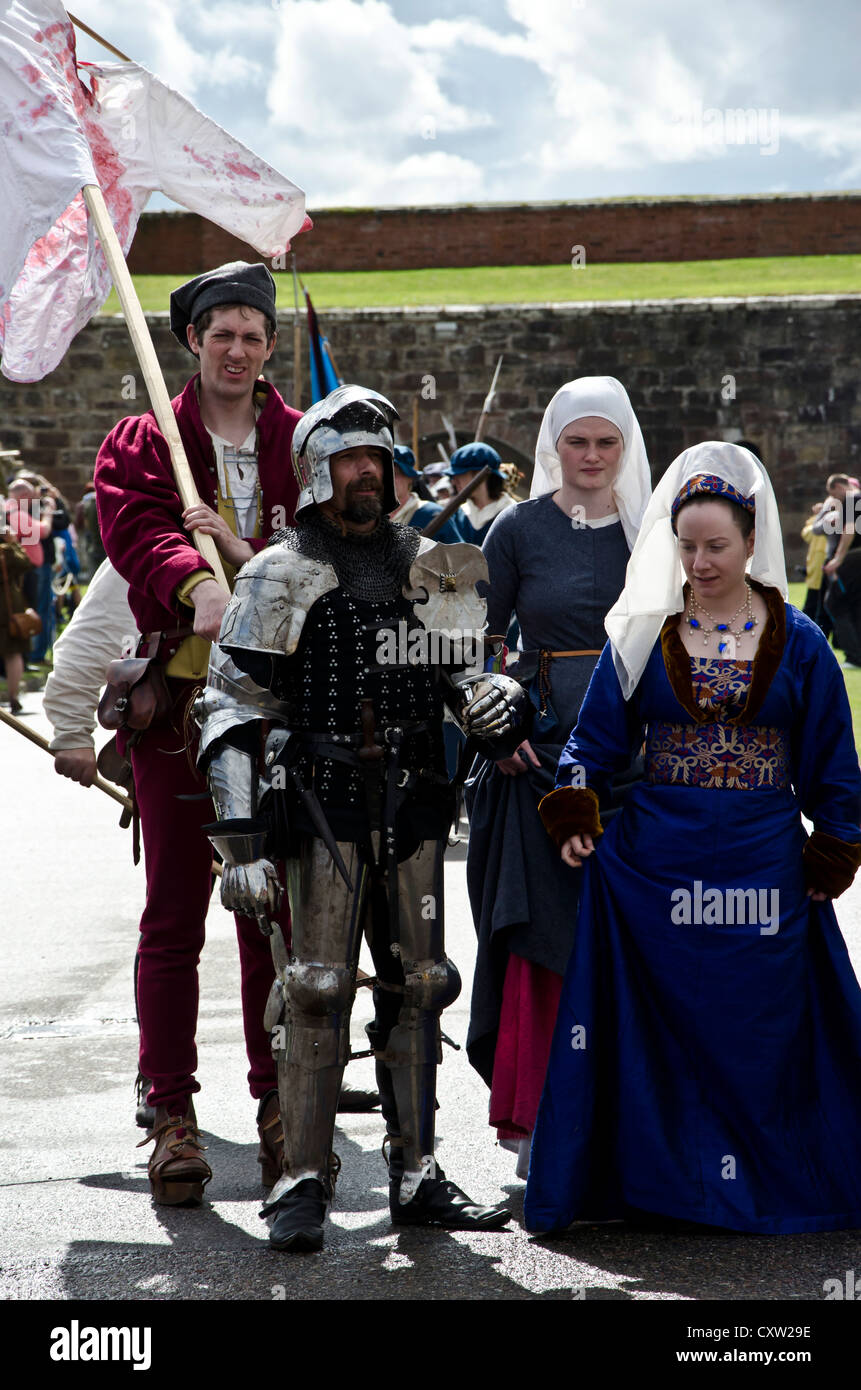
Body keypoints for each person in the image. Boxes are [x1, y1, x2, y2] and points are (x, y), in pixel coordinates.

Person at [196, 384, 528, 1252]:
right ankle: (302, 1179)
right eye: (346, 460)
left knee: (421, 985)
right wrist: (237, 845)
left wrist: (491, 697)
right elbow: (230, 707)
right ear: (315, 472)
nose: (364, 475)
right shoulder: (278, 570)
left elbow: (461, 674)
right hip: (321, 801)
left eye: (374, 459)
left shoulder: (438, 562)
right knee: (315, 988)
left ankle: (416, 1171)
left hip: (415, 801)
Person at [526, 443, 861, 1235]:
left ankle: (767, 1183)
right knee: (660, 1035)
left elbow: (834, 766)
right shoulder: (644, 634)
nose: (700, 561)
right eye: (686, 546)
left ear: (751, 544)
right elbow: (592, 744)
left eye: (716, 546)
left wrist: (835, 845)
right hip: (655, 869)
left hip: (764, 871)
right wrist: (576, 811)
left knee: (759, 1032)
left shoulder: (801, 641)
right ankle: (665, 1186)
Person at [95, 261, 302, 1205]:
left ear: (268, 347)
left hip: (287, 714)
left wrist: (247, 557)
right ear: (192, 341)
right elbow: (137, 530)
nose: (237, 347)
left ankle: (278, 1103)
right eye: (221, 331)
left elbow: (339, 537)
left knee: (276, 915)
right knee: (175, 917)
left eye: (252, 334)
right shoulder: (143, 441)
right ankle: (172, 1113)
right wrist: (200, 578)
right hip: (179, 709)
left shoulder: (304, 440)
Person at [465, 378, 652, 1177]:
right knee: (545, 948)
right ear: (552, 446)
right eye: (576, 442)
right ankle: (541, 1127)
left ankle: (629, 1129)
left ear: (625, 449)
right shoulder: (516, 529)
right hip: (533, 763)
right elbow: (469, 637)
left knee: (631, 947)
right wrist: (493, 723)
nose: (589, 457)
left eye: (604, 443)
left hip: (636, 769)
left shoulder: (653, 536)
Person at [823, 473, 861, 667]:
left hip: (853, 557)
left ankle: (854, 655)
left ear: (839, 486)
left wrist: (838, 558)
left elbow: (849, 529)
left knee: (834, 602)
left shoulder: (851, 499)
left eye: (835, 494)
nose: (836, 499)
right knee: (855, 604)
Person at [445, 442, 516, 545]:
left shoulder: (512, 514)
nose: (454, 481)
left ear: (478, 474)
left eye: (459, 474)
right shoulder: (457, 515)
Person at [390, 445, 463, 542]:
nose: (388, 479)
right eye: (383, 474)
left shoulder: (432, 514)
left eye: (395, 473)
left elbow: (458, 555)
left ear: (410, 478)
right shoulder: (371, 519)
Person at [0, 533, 31, 713]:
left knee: (12, 654)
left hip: (7, 609)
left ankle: (13, 696)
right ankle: (13, 696)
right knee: (13, 654)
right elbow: (26, 563)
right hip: (8, 608)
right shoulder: (7, 552)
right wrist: (13, 543)